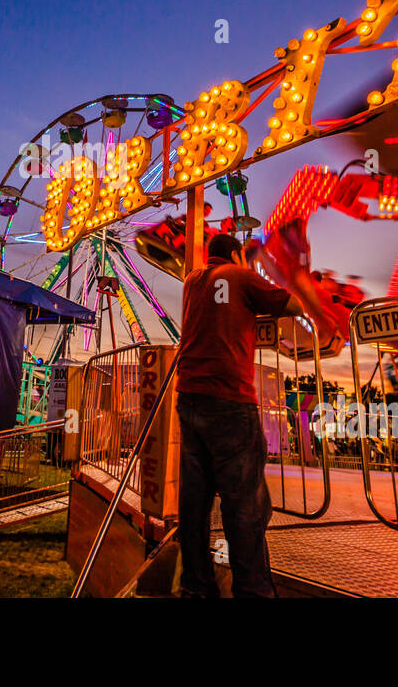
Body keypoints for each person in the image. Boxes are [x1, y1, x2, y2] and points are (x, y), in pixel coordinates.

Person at [172, 233, 302, 598]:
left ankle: (195, 587)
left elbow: (218, 309)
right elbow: (291, 306)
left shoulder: (191, 282)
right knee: (244, 503)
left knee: (194, 503)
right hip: (229, 397)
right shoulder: (240, 276)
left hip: (190, 395)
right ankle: (254, 590)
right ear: (234, 255)